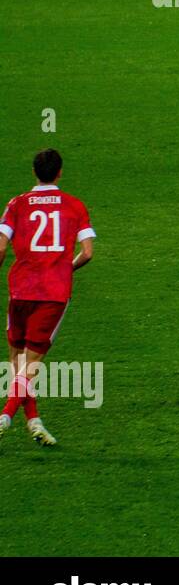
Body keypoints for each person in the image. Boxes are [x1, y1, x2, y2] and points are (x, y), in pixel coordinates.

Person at [0, 149, 96, 448]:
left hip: (20, 289)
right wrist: (66, 268)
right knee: (32, 363)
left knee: (17, 358)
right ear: (59, 173)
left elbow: (1, 248)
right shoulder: (74, 206)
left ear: (34, 172)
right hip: (53, 293)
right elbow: (89, 252)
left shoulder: (16, 204)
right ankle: (5, 416)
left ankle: (34, 420)